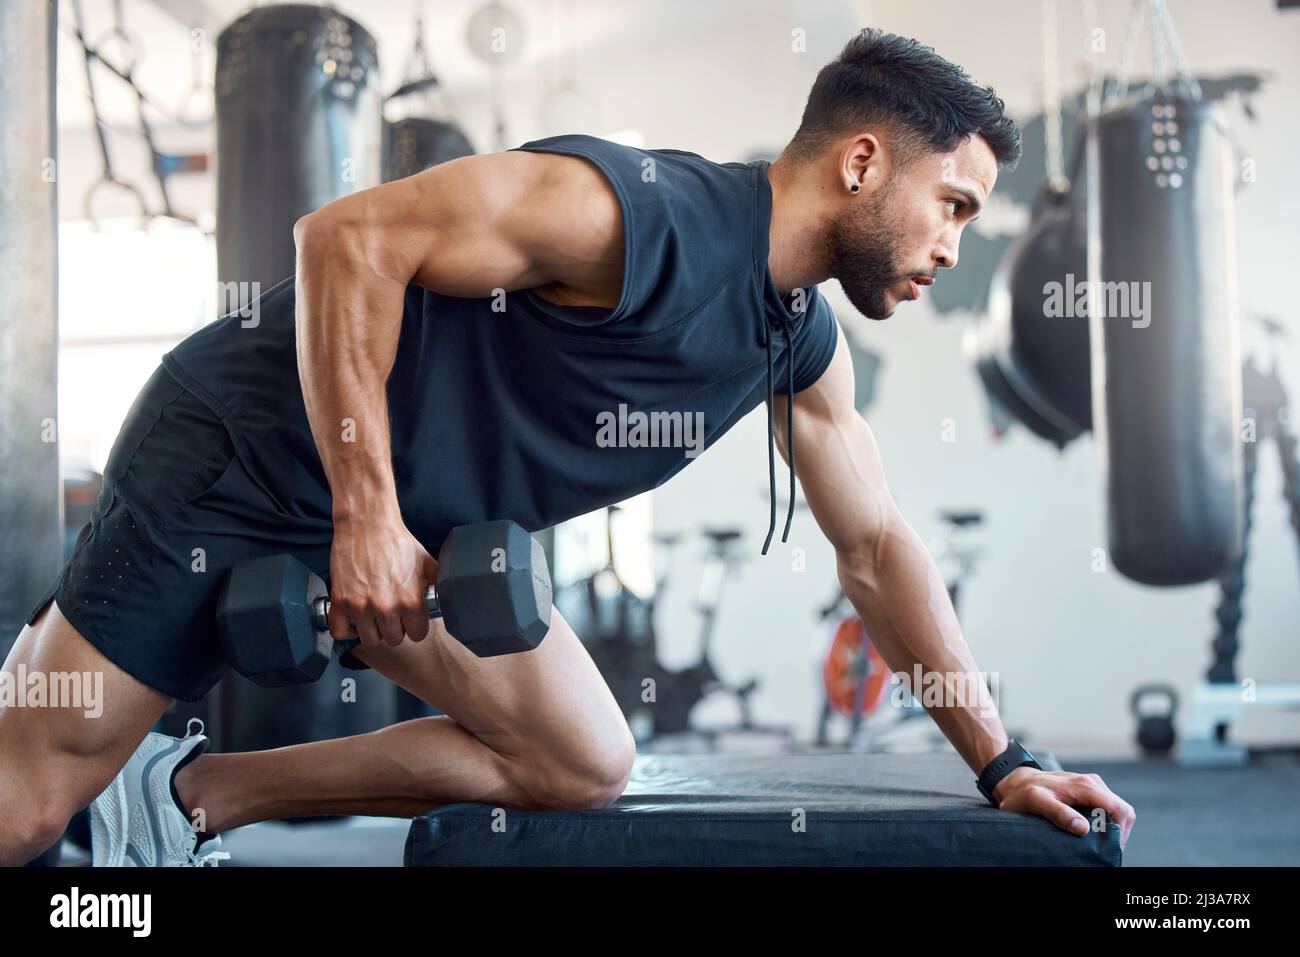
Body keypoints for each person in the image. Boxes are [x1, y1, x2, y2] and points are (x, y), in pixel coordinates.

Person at [0, 28, 1134, 866]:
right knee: (23, 814)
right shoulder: (637, 212)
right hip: (240, 446)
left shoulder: (797, 341)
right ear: (862, 162)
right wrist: (364, 516)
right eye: (954, 204)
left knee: (578, 764)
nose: (952, 245)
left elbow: (877, 549)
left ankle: (193, 794)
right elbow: (347, 238)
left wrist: (1003, 761)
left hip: (414, 526)